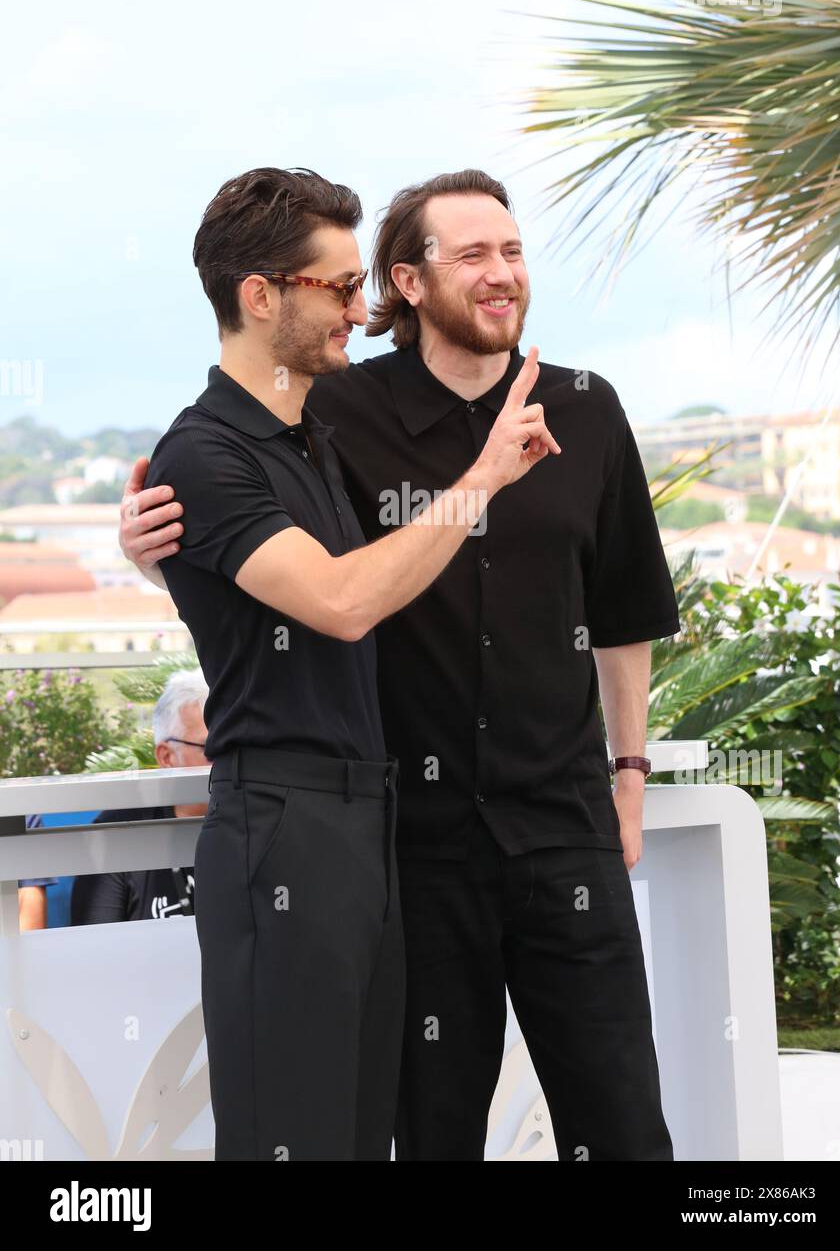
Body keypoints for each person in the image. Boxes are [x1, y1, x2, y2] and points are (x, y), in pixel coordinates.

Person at [122, 166, 679, 1162]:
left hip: (554, 827)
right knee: (407, 1131)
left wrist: (627, 776)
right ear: (406, 281)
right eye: (472, 254)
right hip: (392, 845)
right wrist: (160, 544)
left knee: (623, 1124)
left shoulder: (579, 408)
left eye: (512, 250)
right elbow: (314, 589)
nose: (502, 272)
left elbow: (623, 608)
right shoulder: (329, 416)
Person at [71, 670, 209, 924]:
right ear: (166, 757)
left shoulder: (257, 824)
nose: (228, 761)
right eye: (211, 749)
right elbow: (95, 948)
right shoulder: (120, 834)